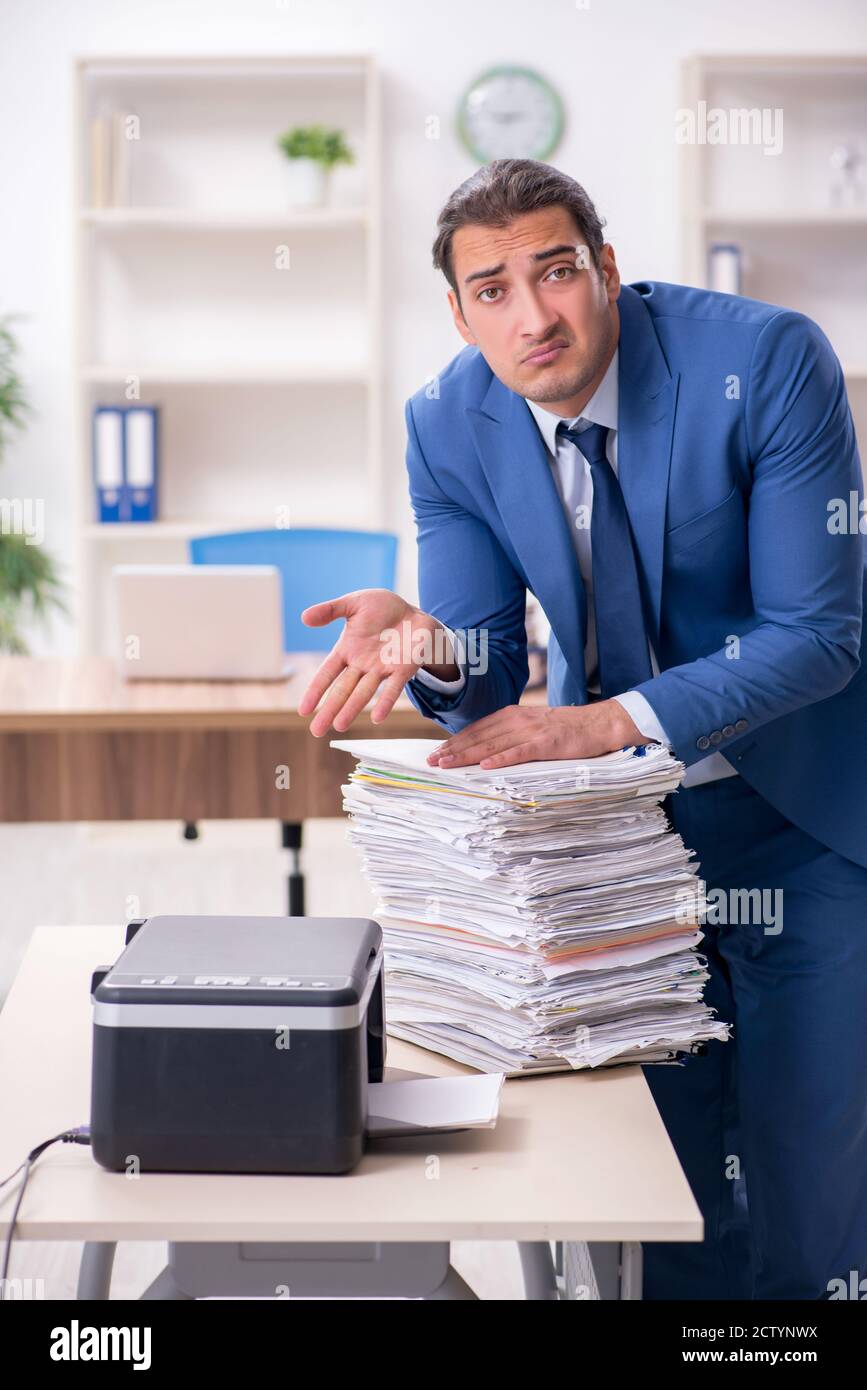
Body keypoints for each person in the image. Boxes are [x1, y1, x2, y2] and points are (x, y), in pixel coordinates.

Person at [298, 158, 867, 1300]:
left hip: (803, 815)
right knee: (655, 1196)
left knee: (814, 1202)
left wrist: (604, 722)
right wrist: (431, 644)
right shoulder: (447, 422)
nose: (533, 314)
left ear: (607, 270)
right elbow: (489, 661)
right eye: (493, 290)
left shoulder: (763, 361)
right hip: (621, 847)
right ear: (459, 316)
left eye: (555, 272)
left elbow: (820, 632)